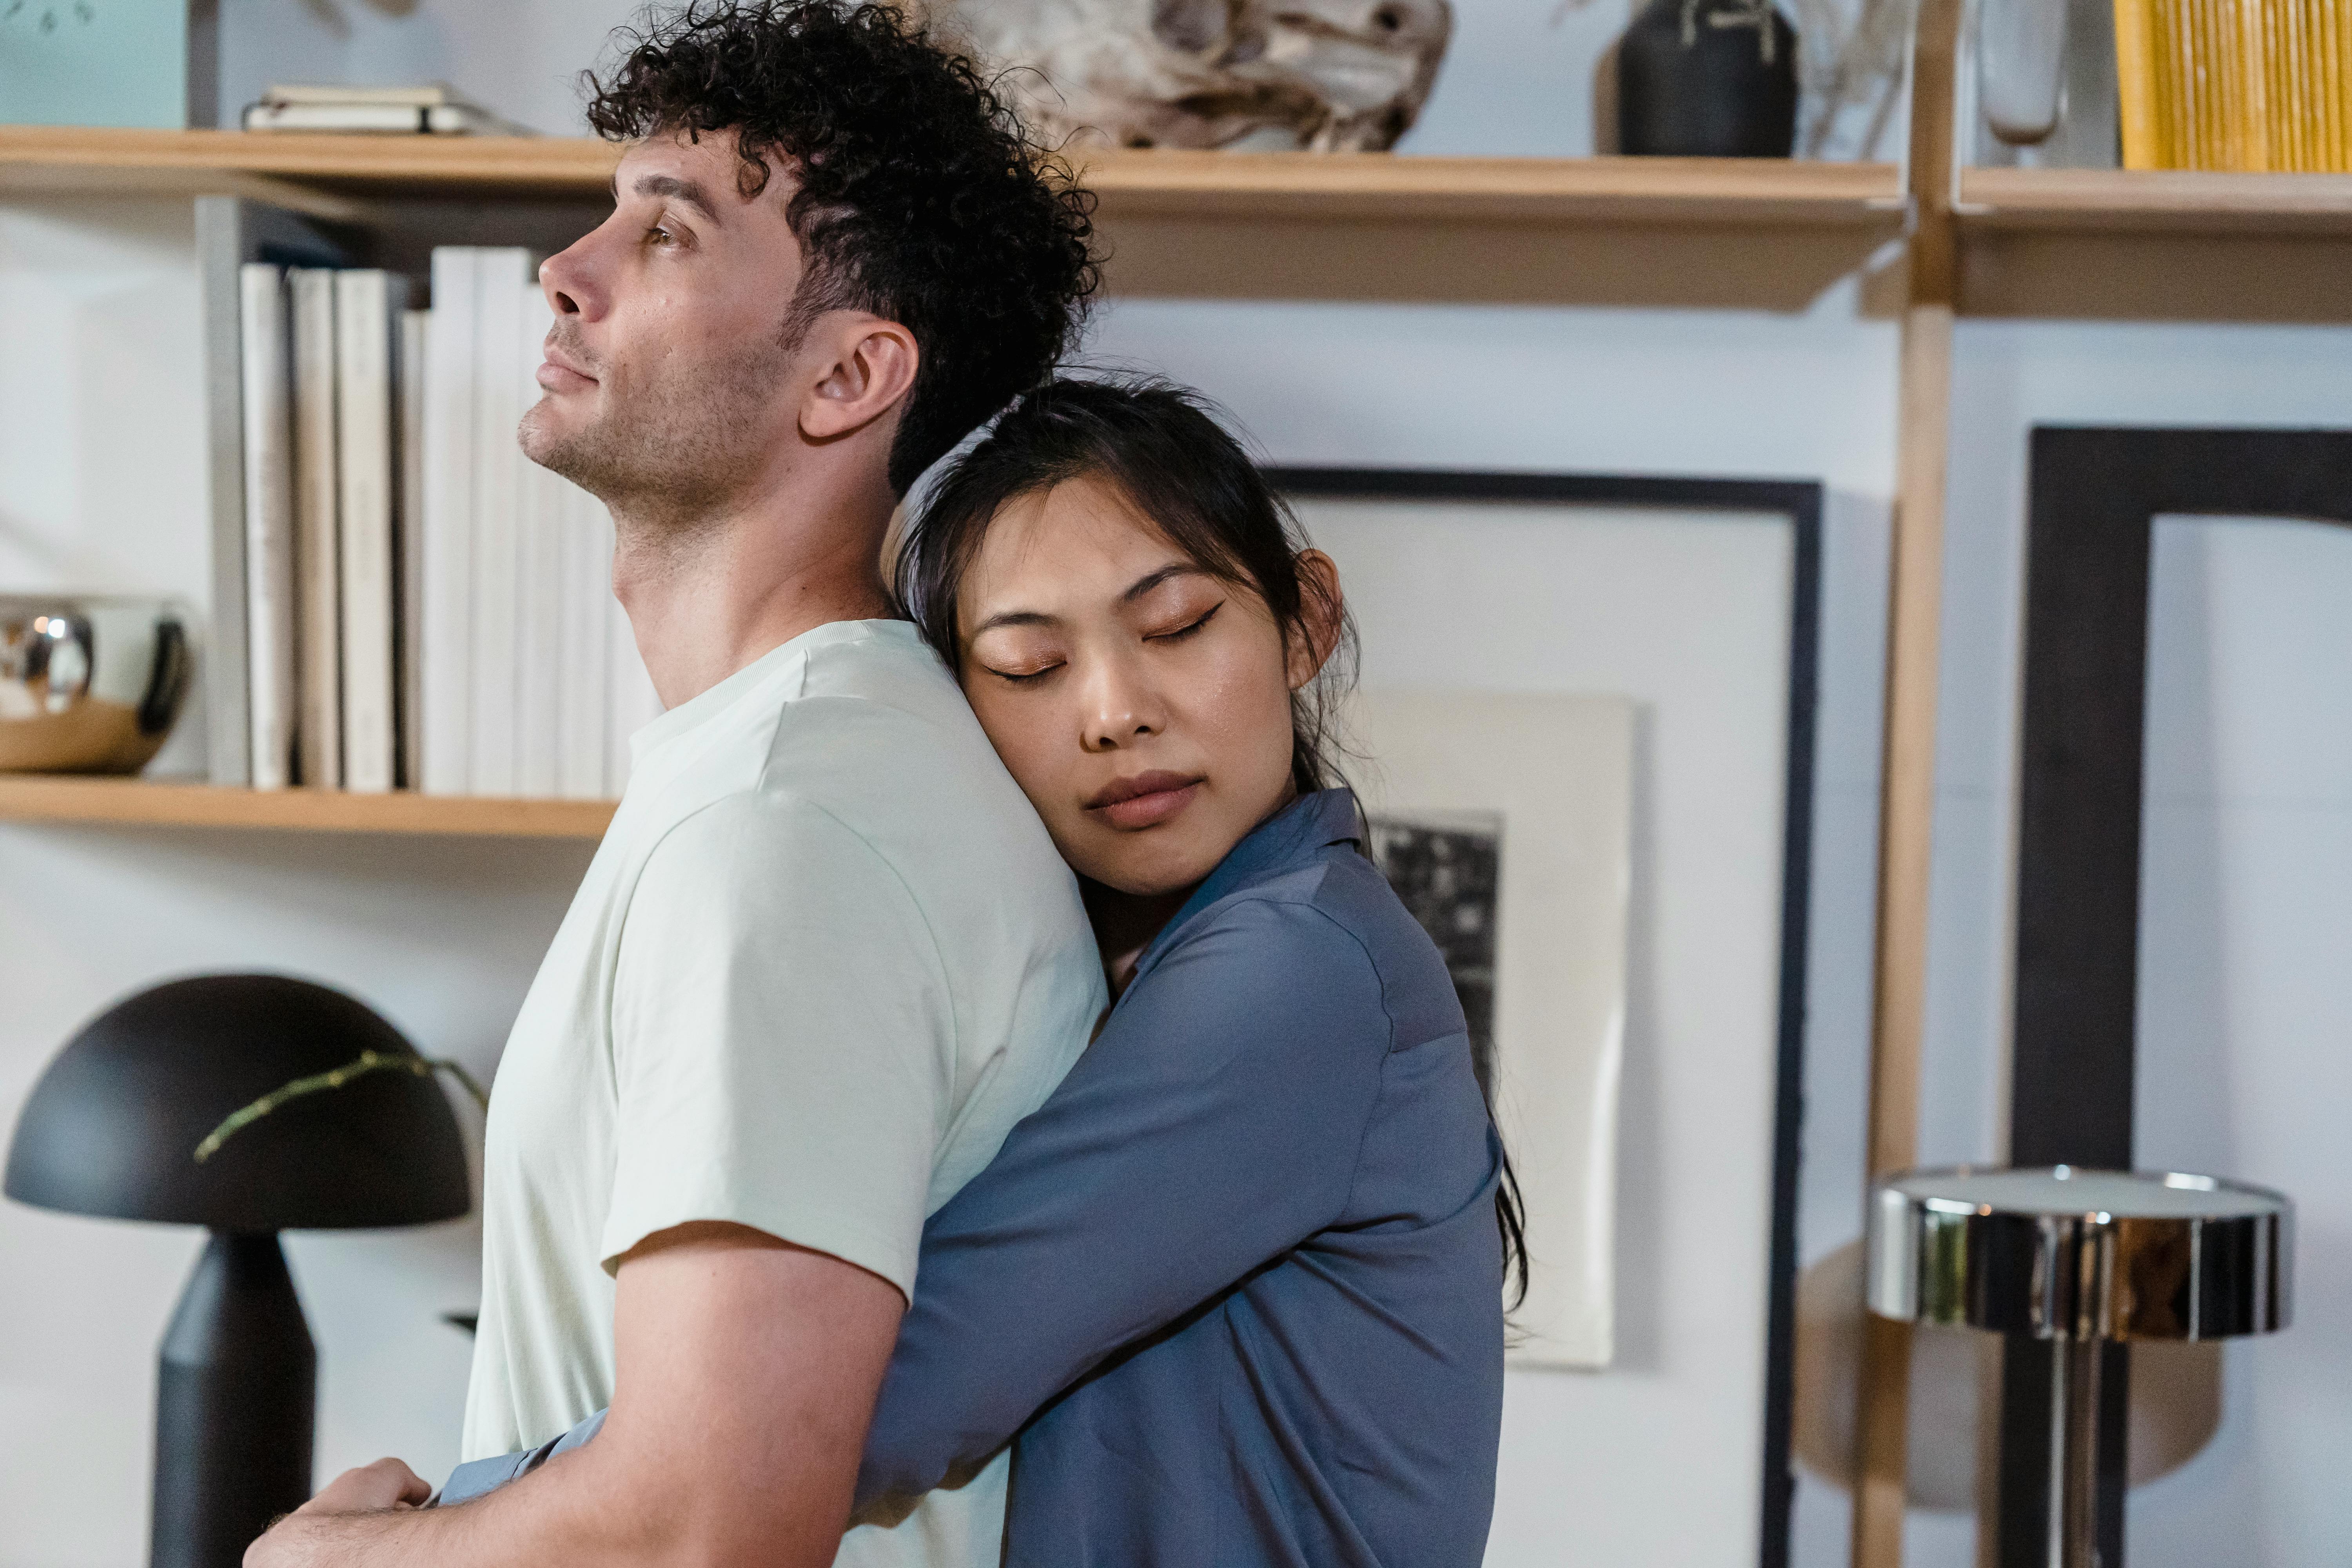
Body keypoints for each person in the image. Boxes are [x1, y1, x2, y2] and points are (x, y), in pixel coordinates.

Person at [244, 5, 1104, 1568]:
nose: (567, 272)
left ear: (850, 373)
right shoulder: (790, 767)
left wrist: (331, 1563)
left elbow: (713, 1522)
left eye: (666, 233)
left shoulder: (793, 824)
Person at [451, 377, 1522, 1566]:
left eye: (1175, 628)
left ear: (1305, 621)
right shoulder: (1115, 964)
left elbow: (854, 1407)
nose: (1114, 713)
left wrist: (440, 1523)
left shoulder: (1297, 970)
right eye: (1028, 668)